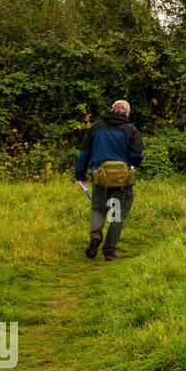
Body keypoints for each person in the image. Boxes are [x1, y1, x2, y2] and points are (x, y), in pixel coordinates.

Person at [75, 100, 143, 260]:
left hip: (100, 178)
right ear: (126, 113)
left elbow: (84, 152)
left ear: (112, 110)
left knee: (98, 209)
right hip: (122, 181)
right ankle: (109, 250)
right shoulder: (131, 130)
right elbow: (136, 156)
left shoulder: (96, 127)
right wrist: (130, 167)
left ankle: (95, 237)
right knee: (117, 212)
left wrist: (79, 173)